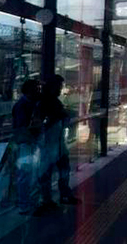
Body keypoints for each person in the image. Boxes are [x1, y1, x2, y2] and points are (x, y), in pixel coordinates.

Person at [38, 75, 76, 207]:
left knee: (63, 168)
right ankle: (46, 199)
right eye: (59, 86)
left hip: (58, 142)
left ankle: (62, 194)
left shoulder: (54, 101)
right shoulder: (44, 102)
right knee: (48, 171)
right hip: (49, 143)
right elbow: (43, 122)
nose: (60, 89)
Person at [12, 79, 43, 214]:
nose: (39, 91)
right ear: (30, 90)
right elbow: (22, 127)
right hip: (25, 143)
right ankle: (25, 205)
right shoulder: (22, 105)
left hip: (31, 143)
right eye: (37, 88)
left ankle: (30, 203)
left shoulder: (32, 104)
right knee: (25, 175)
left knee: (31, 174)